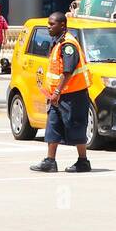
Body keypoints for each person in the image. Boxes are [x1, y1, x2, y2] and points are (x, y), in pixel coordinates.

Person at [30, 11, 92, 174]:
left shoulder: (68, 44)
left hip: (74, 95)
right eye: (48, 24)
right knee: (52, 126)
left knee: (76, 126)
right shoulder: (57, 42)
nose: (48, 27)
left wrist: (57, 91)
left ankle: (83, 162)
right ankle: (50, 161)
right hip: (57, 96)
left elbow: (68, 71)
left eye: (52, 24)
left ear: (62, 25)